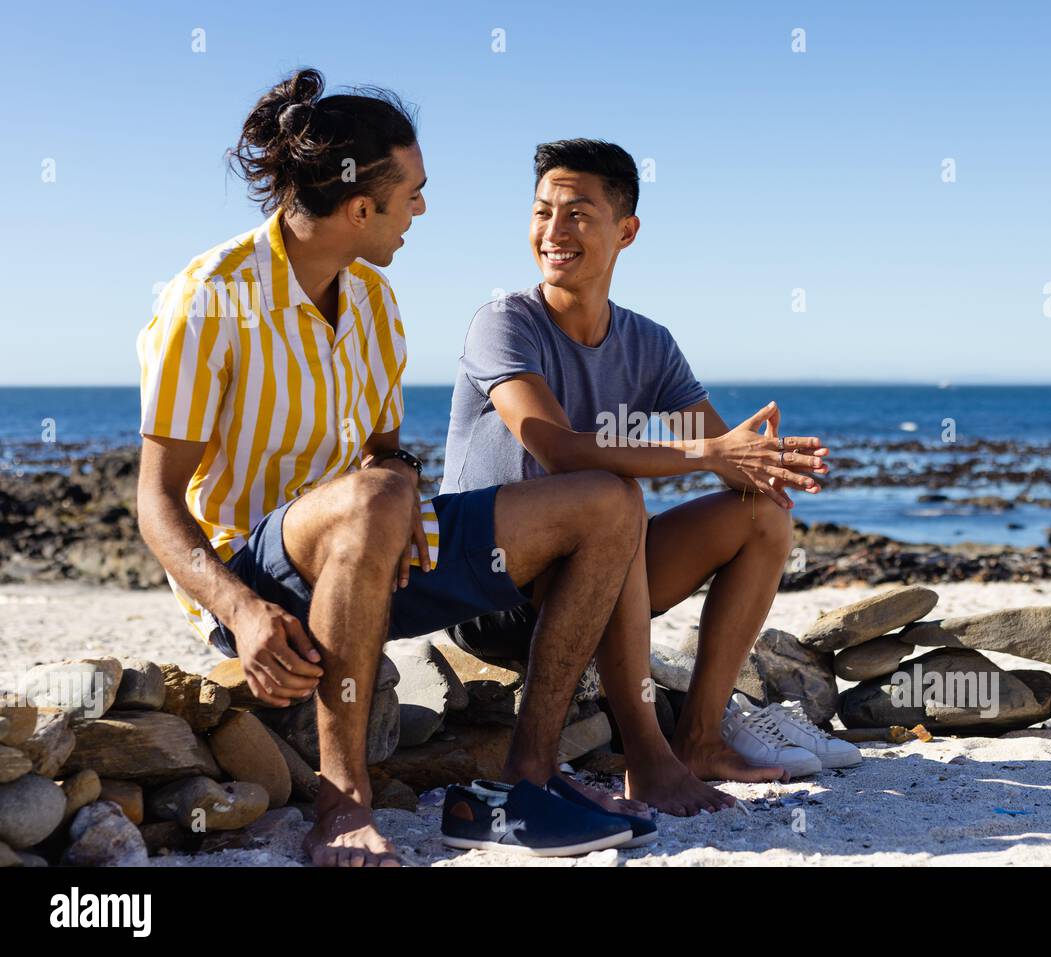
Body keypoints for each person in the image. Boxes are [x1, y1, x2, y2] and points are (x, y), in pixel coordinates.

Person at [136, 74, 653, 865]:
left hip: (375, 552)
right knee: (379, 496)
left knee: (608, 501)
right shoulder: (209, 298)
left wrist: (403, 478)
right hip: (258, 572)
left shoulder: (375, 302)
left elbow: (381, 452)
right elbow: (156, 500)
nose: (420, 210)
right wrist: (240, 611)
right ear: (360, 207)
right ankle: (343, 806)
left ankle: (526, 778)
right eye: (411, 193)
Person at [440, 139, 842, 817]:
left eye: (576, 214)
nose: (553, 232)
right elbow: (559, 448)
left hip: (596, 582)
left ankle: (701, 740)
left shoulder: (648, 343)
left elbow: (723, 450)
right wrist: (709, 454)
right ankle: (647, 758)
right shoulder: (505, 323)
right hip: (491, 588)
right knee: (612, 495)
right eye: (542, 213)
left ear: (626, 230)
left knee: (763, 515)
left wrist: (766, 460)